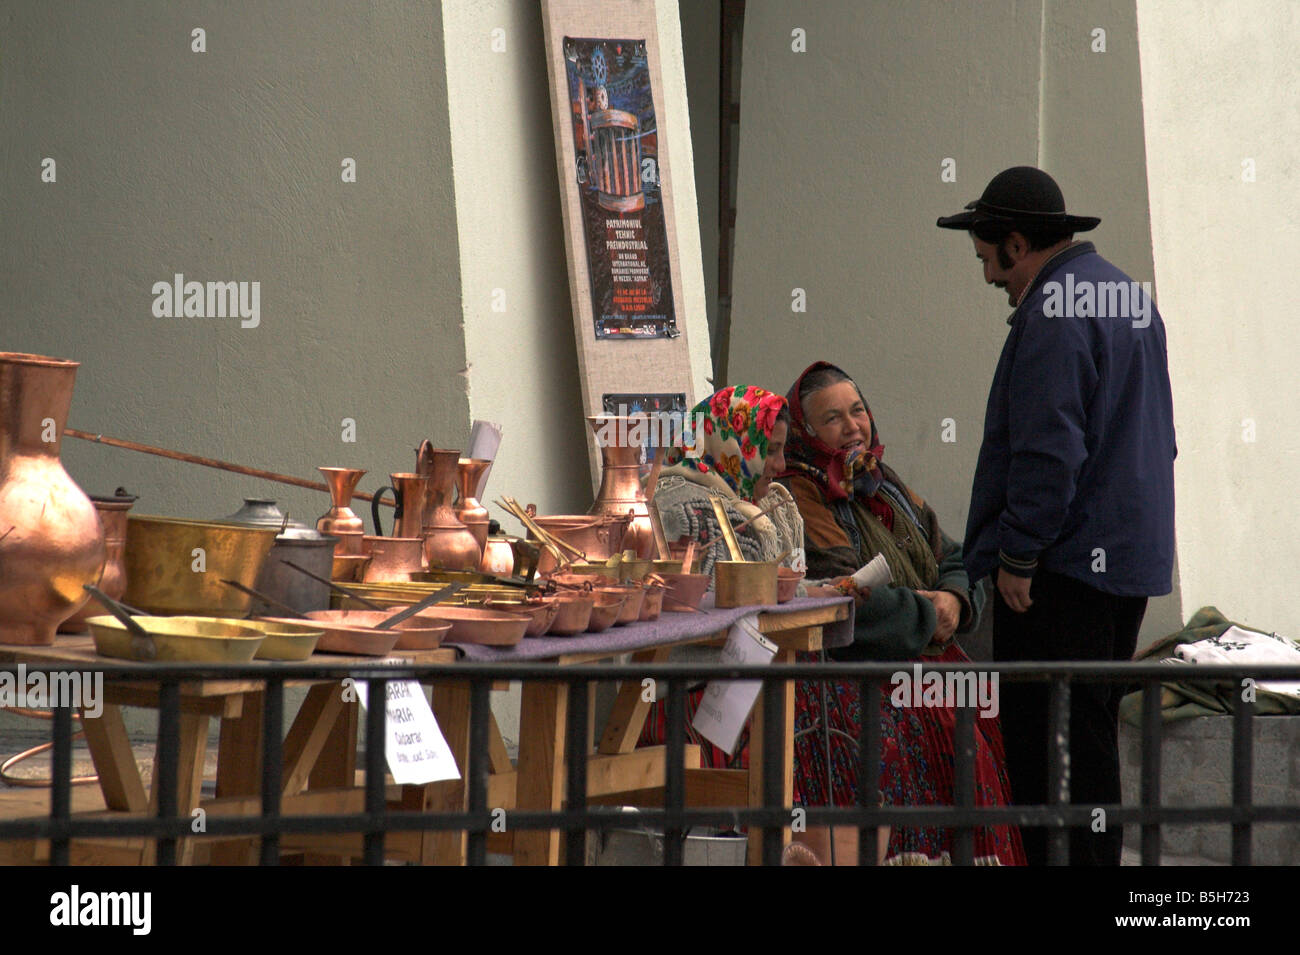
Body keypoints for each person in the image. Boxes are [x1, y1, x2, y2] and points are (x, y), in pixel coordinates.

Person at [936, 166, 1177, 865]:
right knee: (1091, 735)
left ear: (1016, 245)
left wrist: (1017, 557)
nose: (990, 280)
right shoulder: (1126, 296)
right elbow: (1155, 434)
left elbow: (1048, 452)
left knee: (1048, 750)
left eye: (989, 260)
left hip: (1061, 570)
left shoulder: (1053, 313)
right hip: (1126, 562)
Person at [779, 361, 1024, 865]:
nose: (853, 427)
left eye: (858, 411)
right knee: (939, 737)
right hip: (862, 668)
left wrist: (954, 599)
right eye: (832, 419)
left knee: (995, 727)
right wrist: (925, 616)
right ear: (805, 433)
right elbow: (843, 592)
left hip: (930, 659)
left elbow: (956, 555)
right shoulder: (800, 493)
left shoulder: (881, 482)